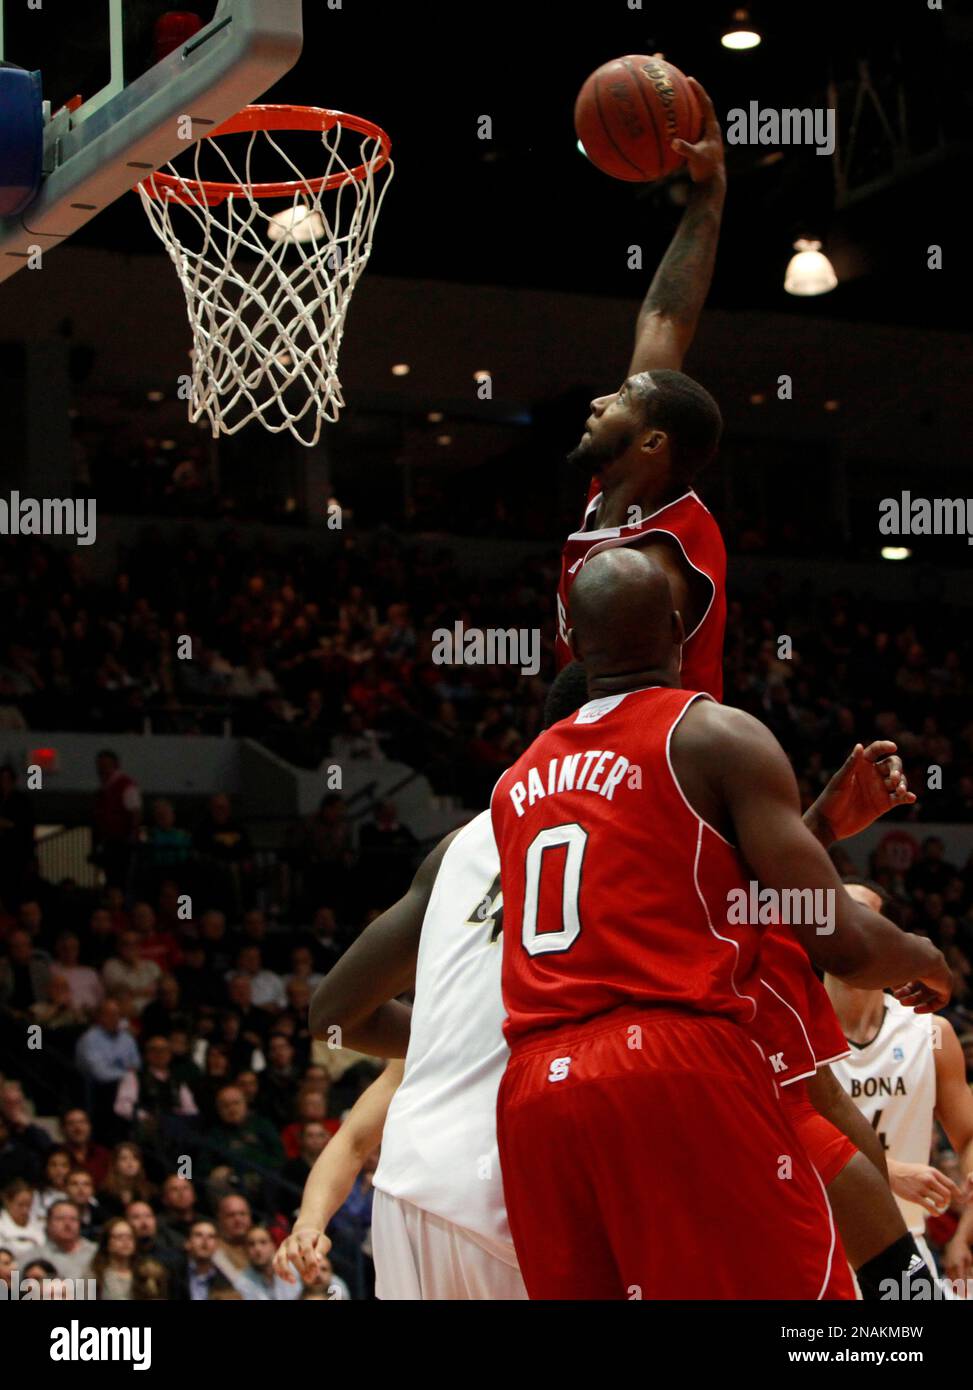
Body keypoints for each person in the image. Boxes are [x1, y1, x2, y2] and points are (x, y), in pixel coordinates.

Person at [489, 549, 950, 1299]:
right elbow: (842, 939)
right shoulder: (712, 734)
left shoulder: (514, 786)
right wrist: (925, 955)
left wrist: (818, 826)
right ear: (678, 629)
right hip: (671, 1063)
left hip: (536, 1089)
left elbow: (668, 886)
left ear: (567, 635)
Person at [554, 79, 727, 700]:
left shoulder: (659, 558)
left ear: (652, 443)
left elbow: (622, 697)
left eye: (621, 400)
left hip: (655, 774)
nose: (600, 400)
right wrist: (711, 186)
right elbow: (665, 318)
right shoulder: (624, 493)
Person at [828, 878, 973, 1288]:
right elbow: (779, 1145)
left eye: (861, 917)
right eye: (835, 915)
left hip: (903, 1246)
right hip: (818, 1245)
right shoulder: (789, 1028)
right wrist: (888, 1173)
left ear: (890, 940)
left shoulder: (932, 1034)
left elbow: (967, 1137)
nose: (845, 928)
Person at [91, 749, 142, 891]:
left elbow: (135, 812)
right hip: (109, 841)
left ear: (115, 765)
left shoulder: (125, 784)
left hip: (122, 842)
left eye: (105, 765)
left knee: (121, 879)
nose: (102, 769)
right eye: (100, 766)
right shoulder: (103, 790)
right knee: (112, 878)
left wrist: (131, 837)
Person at [22, 1198, 97, 1281]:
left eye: (73, 1219)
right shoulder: (33, 1257)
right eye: (60, 1219)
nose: (67, 1224)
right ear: (48, 1222)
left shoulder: (96, 1253)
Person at [236, 1224, 302, 1301]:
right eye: (251, 1244)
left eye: (263, 1242)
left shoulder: (293, 1269)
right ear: (245, 1250)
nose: (258, 1249)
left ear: (273, 1245)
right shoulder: (242, 1282)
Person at [176, 1218, 236, 1300]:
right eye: (199, 1235)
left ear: (217, 1245)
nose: (205, 1241)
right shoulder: (174, 1274)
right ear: (188, 1243)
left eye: (211, 1237)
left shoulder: (226, 1281)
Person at [89, 1216, 138, 1299]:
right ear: (107, 1242)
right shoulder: (94, 1274)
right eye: (119, 1237)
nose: (125, 1241)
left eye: (129, 1237)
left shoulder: (144, 1274)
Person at [0, 1177, 44, 1258]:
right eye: (20, 1205)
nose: (25, 1210)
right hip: (12, 1269)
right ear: (7, 1201)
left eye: (28, 1205)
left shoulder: (39, 1223)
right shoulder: (1, 1225)